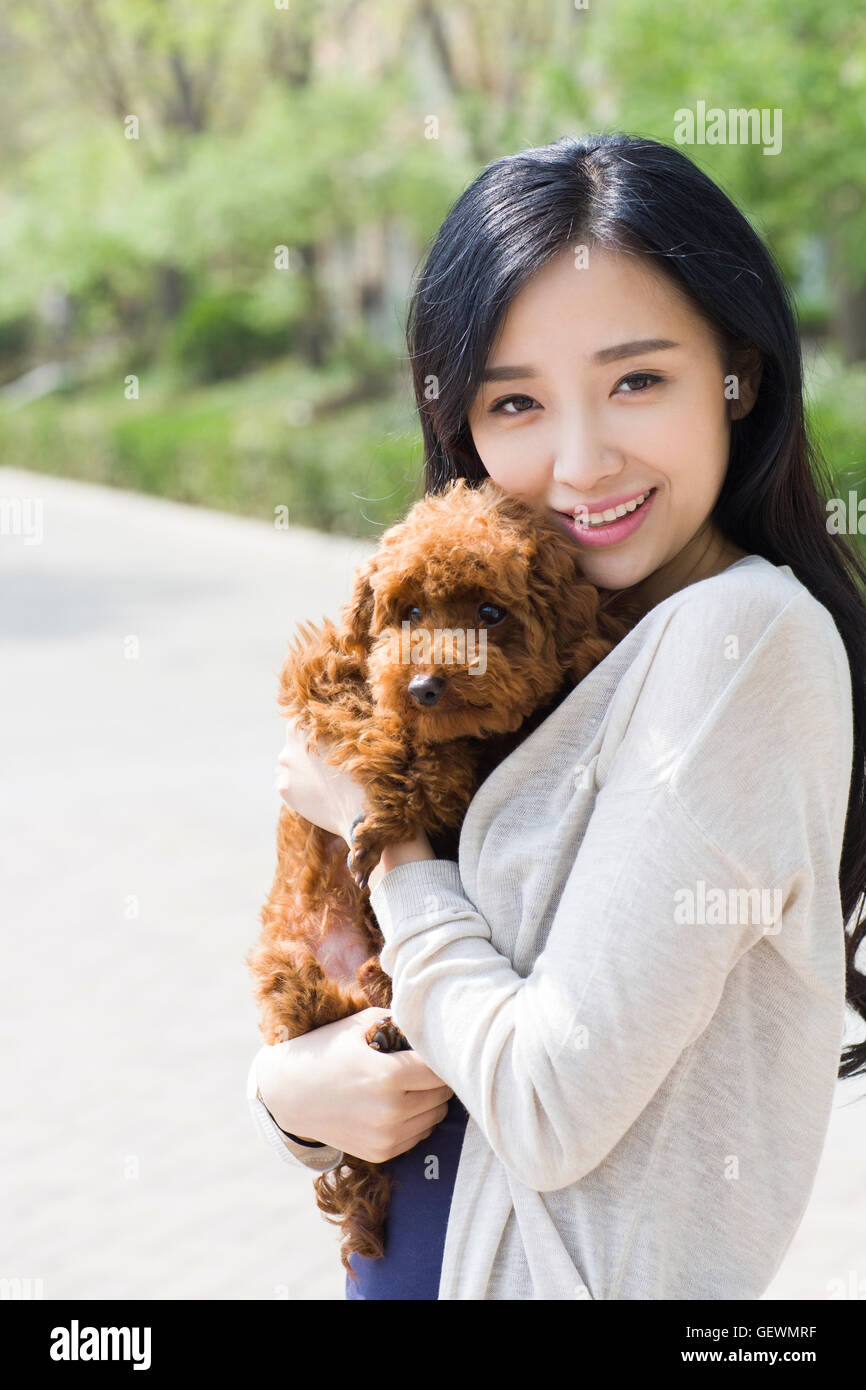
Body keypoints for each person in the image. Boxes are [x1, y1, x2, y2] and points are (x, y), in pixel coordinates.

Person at [248, 132, 866, 1300]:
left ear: (735, 374)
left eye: (636, 380)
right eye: (516, 402)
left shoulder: (743, 642)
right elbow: (414, 1021)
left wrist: (382, 833)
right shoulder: (546, 646)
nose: (578, 463)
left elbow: (543, 1099)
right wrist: (288, 1098)